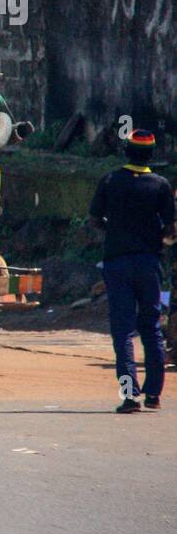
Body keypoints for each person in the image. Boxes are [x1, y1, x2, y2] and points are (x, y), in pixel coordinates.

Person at [89, 129, 174, 413]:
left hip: (117, 264)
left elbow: (95, 219)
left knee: (123, 332)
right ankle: (153, 395)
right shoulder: (161, 185)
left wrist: (114, 230)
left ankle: (130, 396)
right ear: (151, 154)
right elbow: (171, 229)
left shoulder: (111, 180)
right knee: (151, 328)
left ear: (127, 151)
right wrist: (158, 238)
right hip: (149, 264)